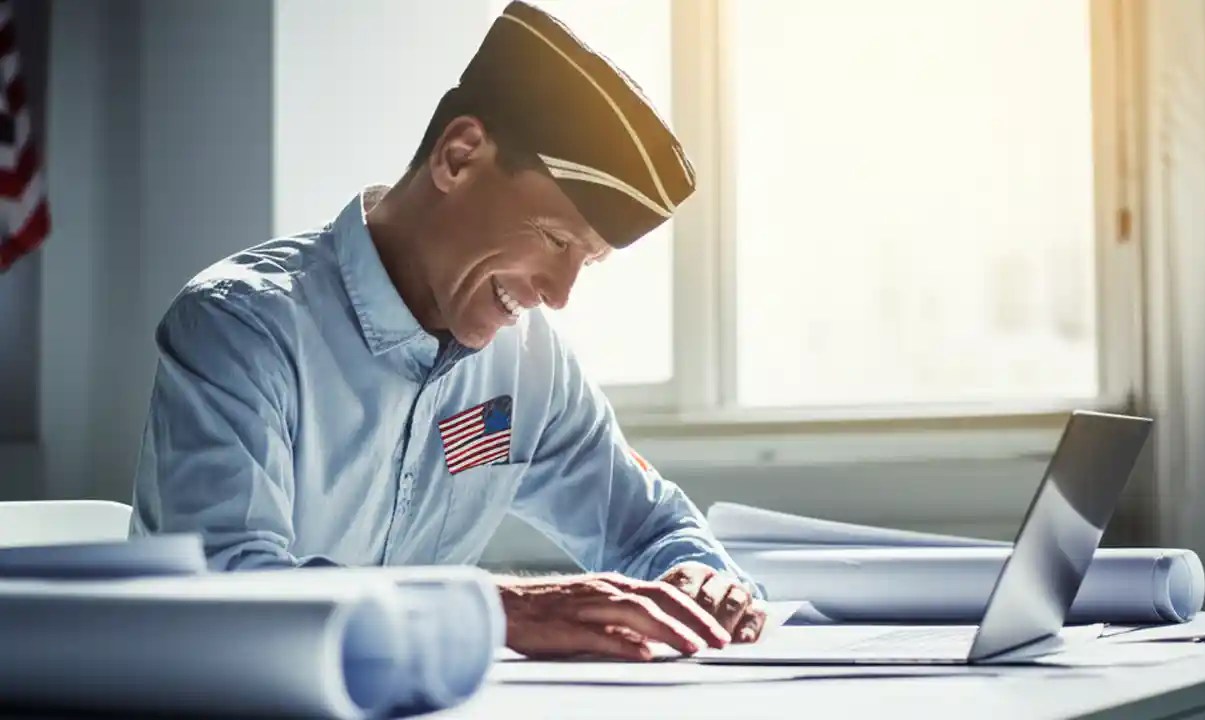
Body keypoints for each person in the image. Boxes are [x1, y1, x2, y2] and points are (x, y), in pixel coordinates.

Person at [130, 1, 764, 661]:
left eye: (588, 261)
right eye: (554, 240)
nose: (560, 293)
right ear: (458, 157)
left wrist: (701, 579)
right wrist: (493, 609)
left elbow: (651, 529)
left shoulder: (530, 364)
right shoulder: (240, 329)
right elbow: (223, 591)